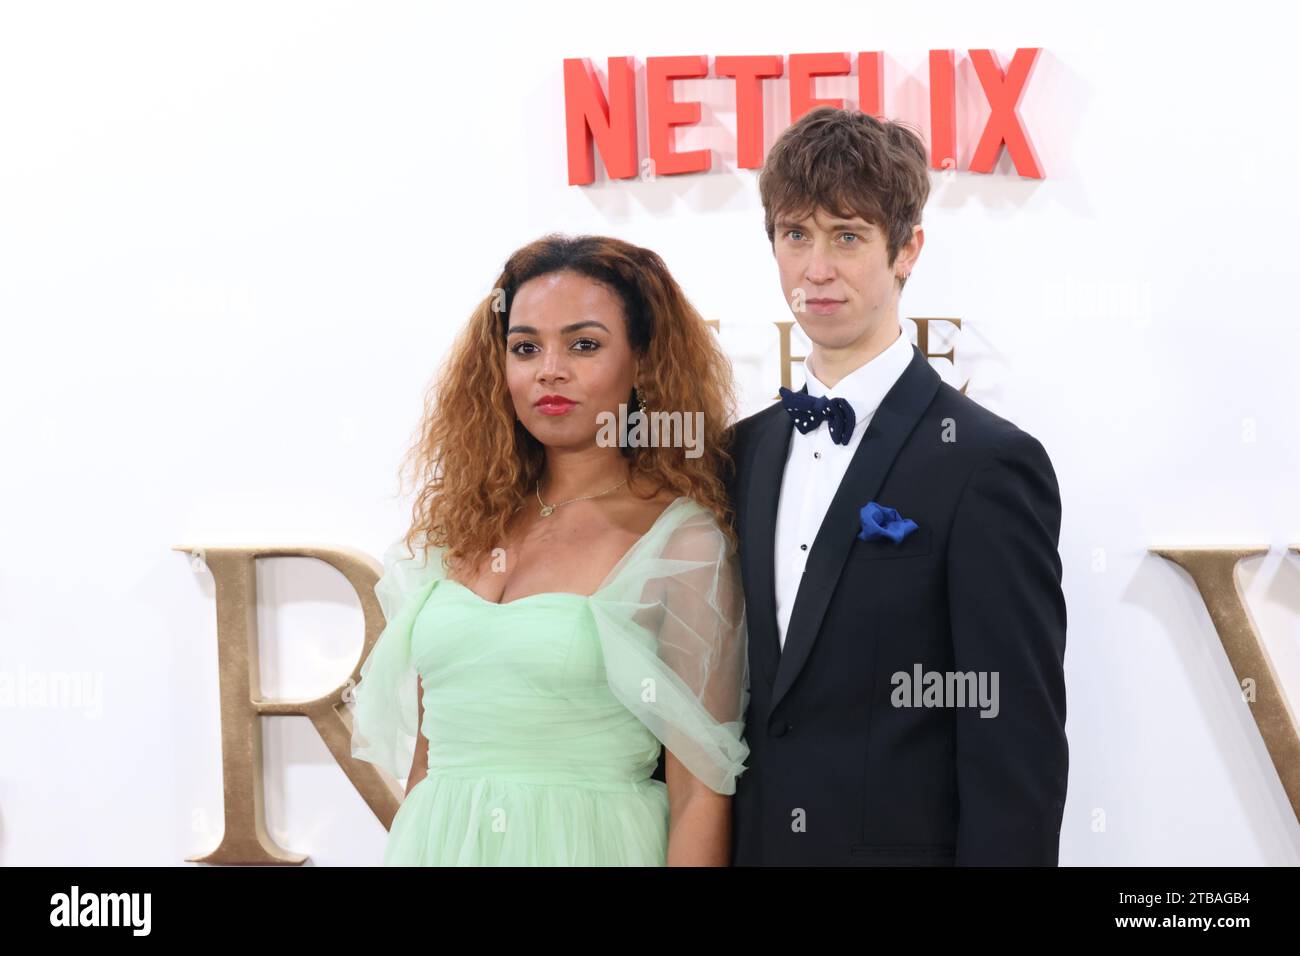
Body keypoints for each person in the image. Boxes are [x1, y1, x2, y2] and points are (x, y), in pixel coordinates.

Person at [727, 106, 1068, 866]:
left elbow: (1014, 740)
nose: (817, 270)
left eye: (846, 237)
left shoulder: (986, 464)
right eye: (795, 235)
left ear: (907, 249)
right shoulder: (741, 454)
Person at [349, 234, 750, 865]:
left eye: (584, 345)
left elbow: (701, 792)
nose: (549, 370)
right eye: (525, 347)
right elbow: (429, 761)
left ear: (642, 362)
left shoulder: (679, 540)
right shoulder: (460, 526)